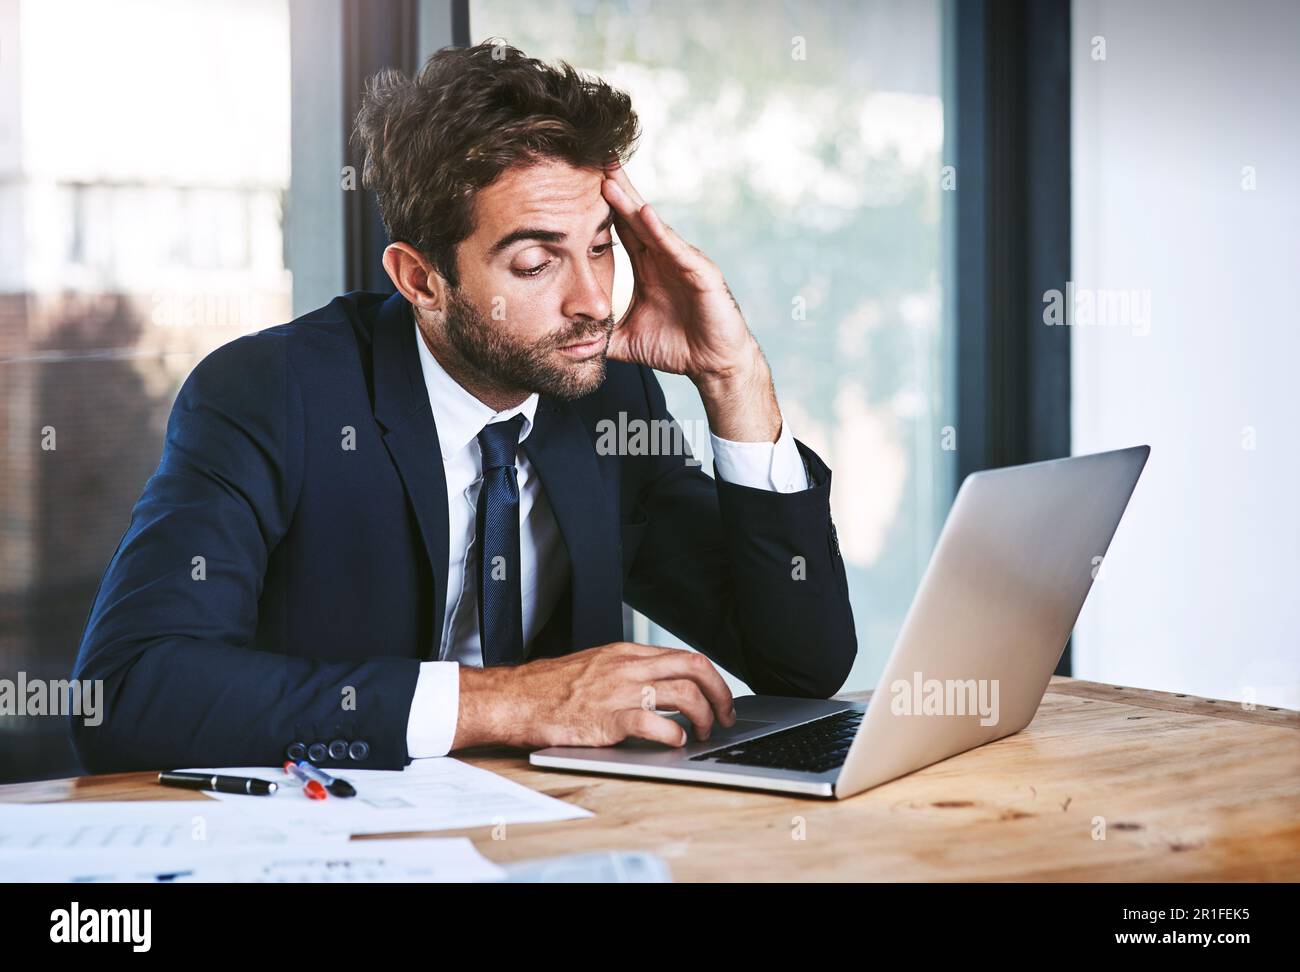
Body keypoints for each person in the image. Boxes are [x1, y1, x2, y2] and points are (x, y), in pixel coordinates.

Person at [70, 41, 856, 772]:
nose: (592, 302)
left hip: (560, 838)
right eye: (536, 262)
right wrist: (515, 703)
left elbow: (800, 665)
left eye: (599, 246)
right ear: (420, 281)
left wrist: (733, 379)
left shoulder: (604, 395)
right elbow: (126, 694)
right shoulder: (273, 394)